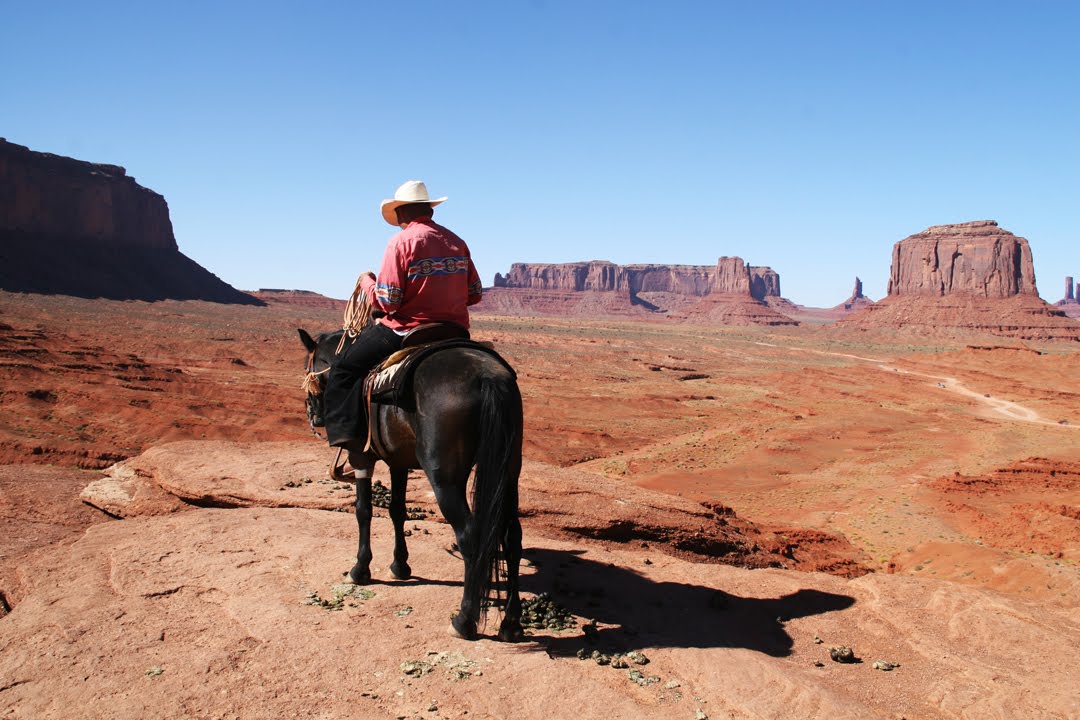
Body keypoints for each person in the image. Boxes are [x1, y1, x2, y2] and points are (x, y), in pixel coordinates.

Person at [323, 180, 482, 478]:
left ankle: (355, 448)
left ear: (402, 212)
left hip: (407, 329)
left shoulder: (400, 243)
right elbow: (474, 294)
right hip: (454, 330)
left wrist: (367, 282)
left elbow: (388, 301)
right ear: (430, 210)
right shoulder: (456, 242)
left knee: (344, 369)